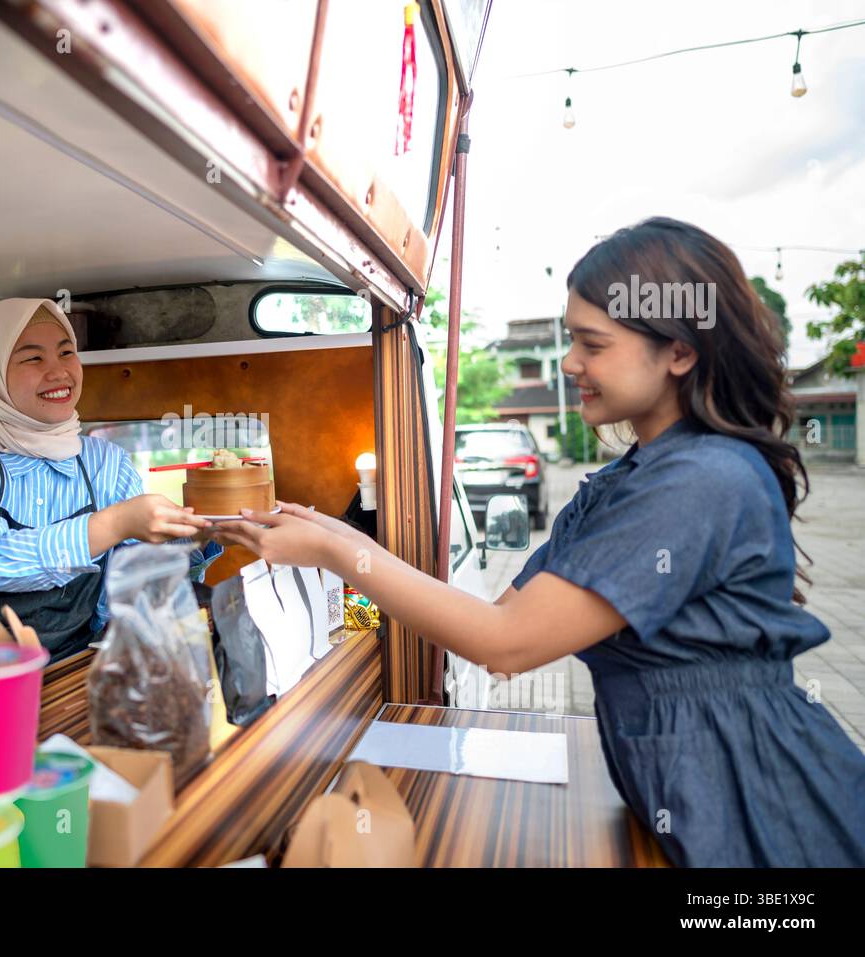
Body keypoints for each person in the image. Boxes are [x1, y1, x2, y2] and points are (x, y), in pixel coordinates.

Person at [215, 218, 865, 867]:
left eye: (593, 343)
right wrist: (322, 527)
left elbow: (507, 641)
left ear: (679, 351)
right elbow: (501, 627)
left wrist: (334, 552)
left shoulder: (702, 481)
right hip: (691, 807)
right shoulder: (627, 479)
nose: (570, 362)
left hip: (767, 817)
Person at [0, 297, 219, 664]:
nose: (59, 371)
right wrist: (113, 523)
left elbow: (128, 581)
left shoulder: (107, 461)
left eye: (66, 353)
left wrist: (196, 539)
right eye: (33, 358)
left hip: (68, 658)